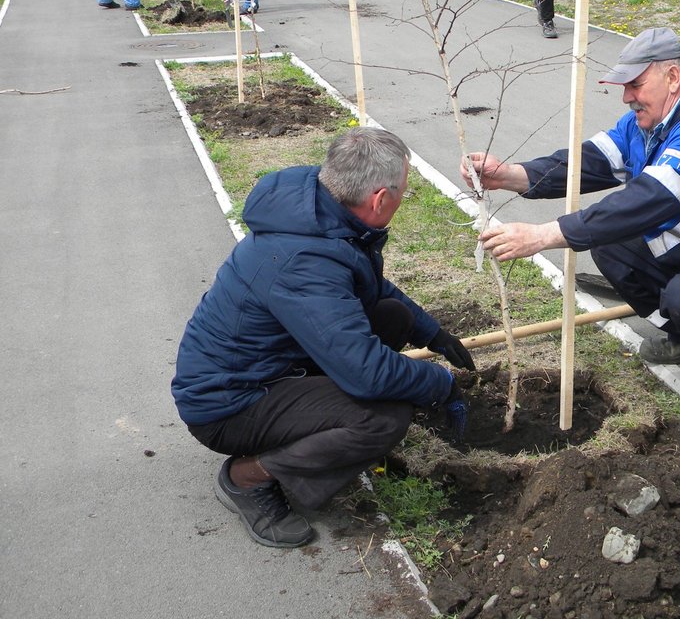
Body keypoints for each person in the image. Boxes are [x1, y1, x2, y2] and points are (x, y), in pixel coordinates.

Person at [463, 28, 680, 416]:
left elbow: (645, 203)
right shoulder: (650, 122)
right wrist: (511, 174)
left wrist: (544, 235)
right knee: (612, 245)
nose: (627, 96)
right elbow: (590, 161)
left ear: (673, 77)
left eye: (635, 85)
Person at [171, 128, 475, 548]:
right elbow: (366, 373)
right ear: (380, 199)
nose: (404, 198)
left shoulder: (322, 212)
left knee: (393, 317)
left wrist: (432, 332)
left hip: (273, 366)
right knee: (383, 416)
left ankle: (323, 436)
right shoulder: (303, 260)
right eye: (403, 190)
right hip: (230, 402)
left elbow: (366, 286)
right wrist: (439, 383)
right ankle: (248, 478)